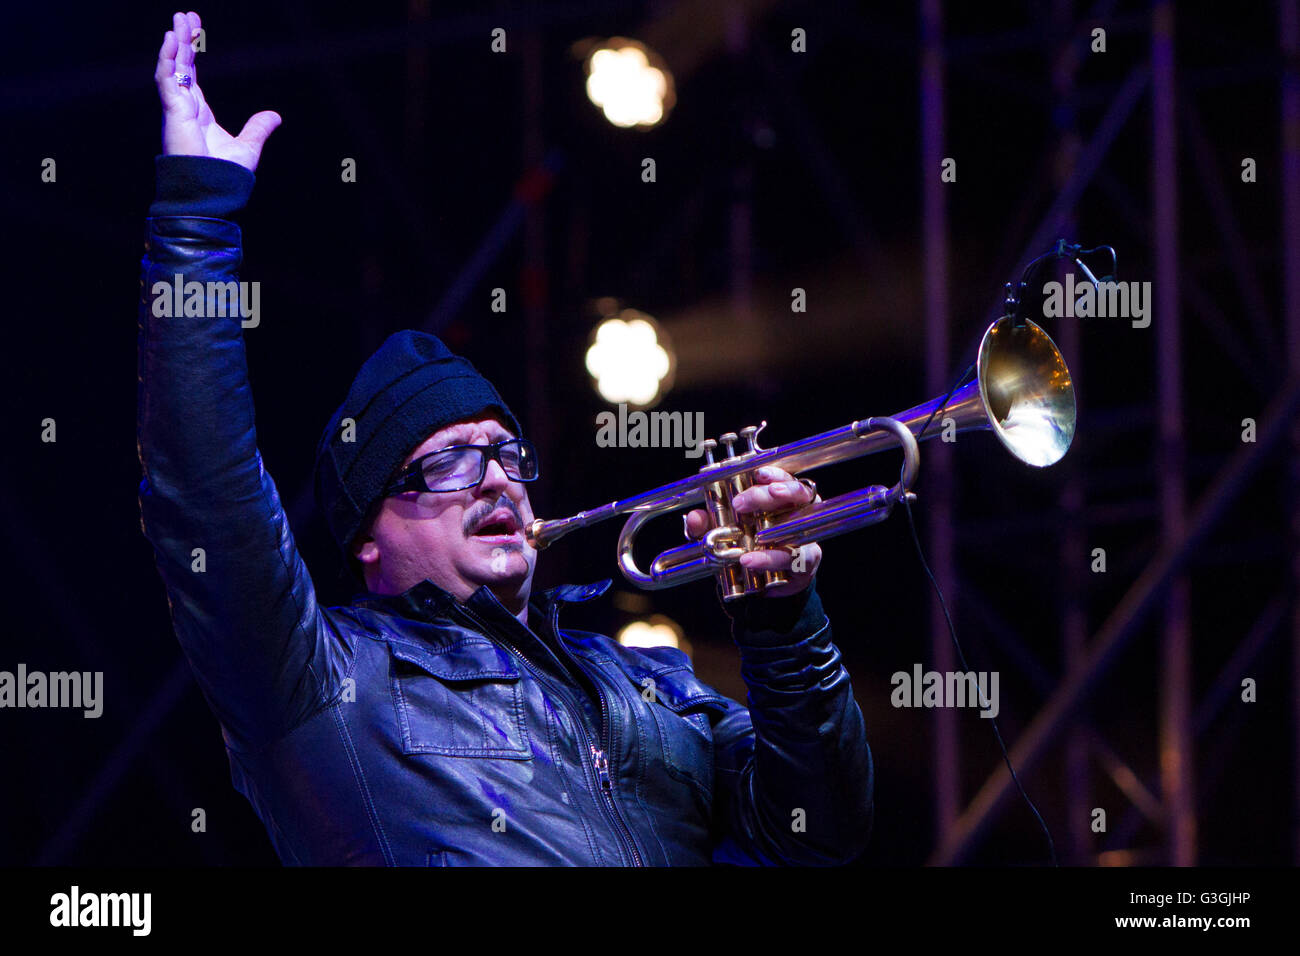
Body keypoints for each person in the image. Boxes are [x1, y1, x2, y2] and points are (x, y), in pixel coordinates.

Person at [138, 10, 873, 865]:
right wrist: (195, 219)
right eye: (447, 462)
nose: (496, 481)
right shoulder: (324, 680)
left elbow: (820, 836)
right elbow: (206, 492)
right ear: (367, 538)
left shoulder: (649, 683)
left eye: (506, 454)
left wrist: (784, 620)